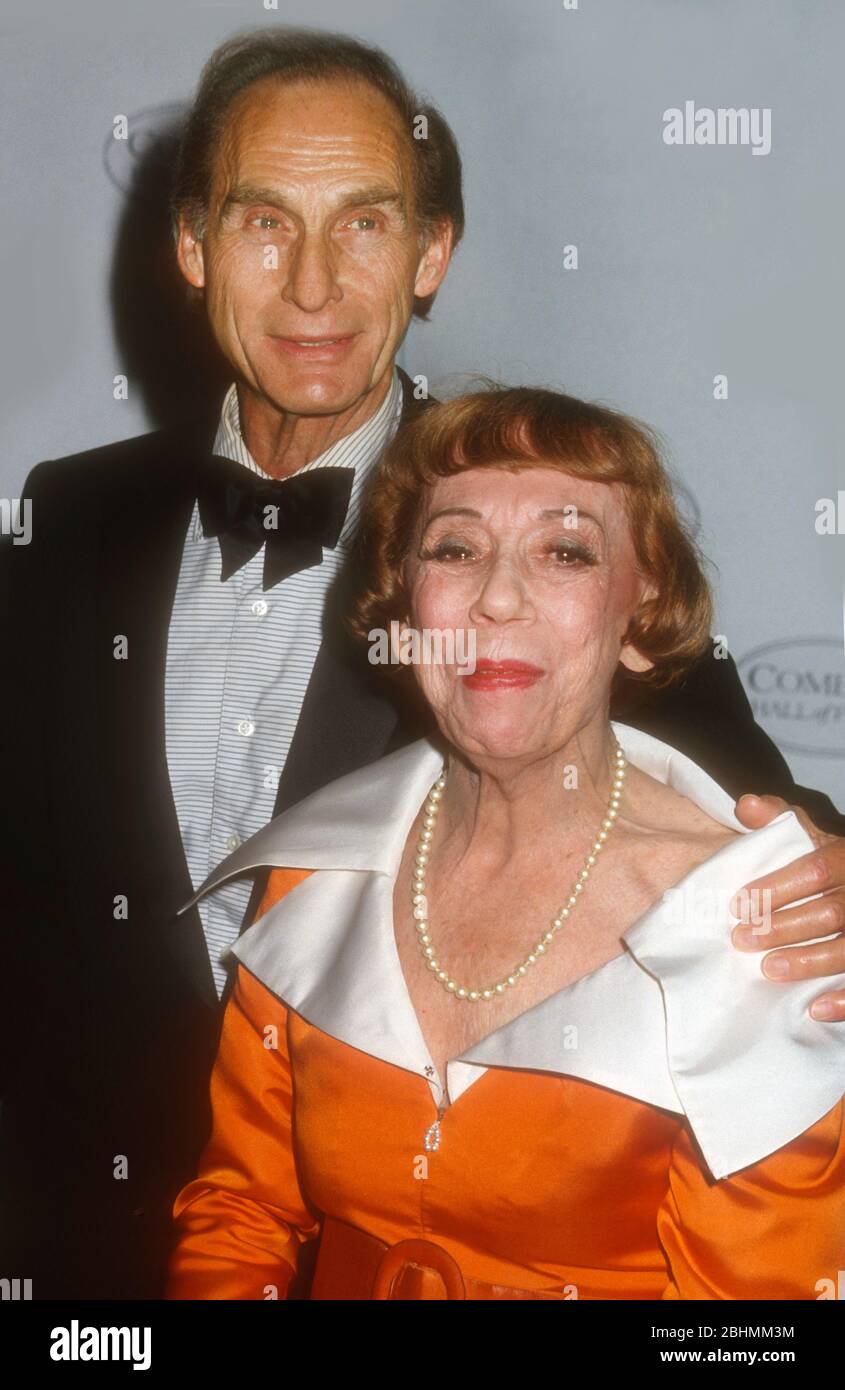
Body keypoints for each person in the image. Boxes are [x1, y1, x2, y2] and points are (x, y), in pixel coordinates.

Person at [2, 28, 844, 1303]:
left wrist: (827, 870)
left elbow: (761, 817)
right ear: (190, 247)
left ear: (431, 252)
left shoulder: (534, 528)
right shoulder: (67, 521)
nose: (312, 288)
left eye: (365, 224)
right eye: (263, 223)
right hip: (79, 1252)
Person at [167, 386, 845, 1300]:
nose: (496, 596)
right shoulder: (315, 870)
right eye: (455, 549)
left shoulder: (755, 931)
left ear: (637, 622)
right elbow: (238, 1217)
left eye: (564, 552)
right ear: (404, 608)